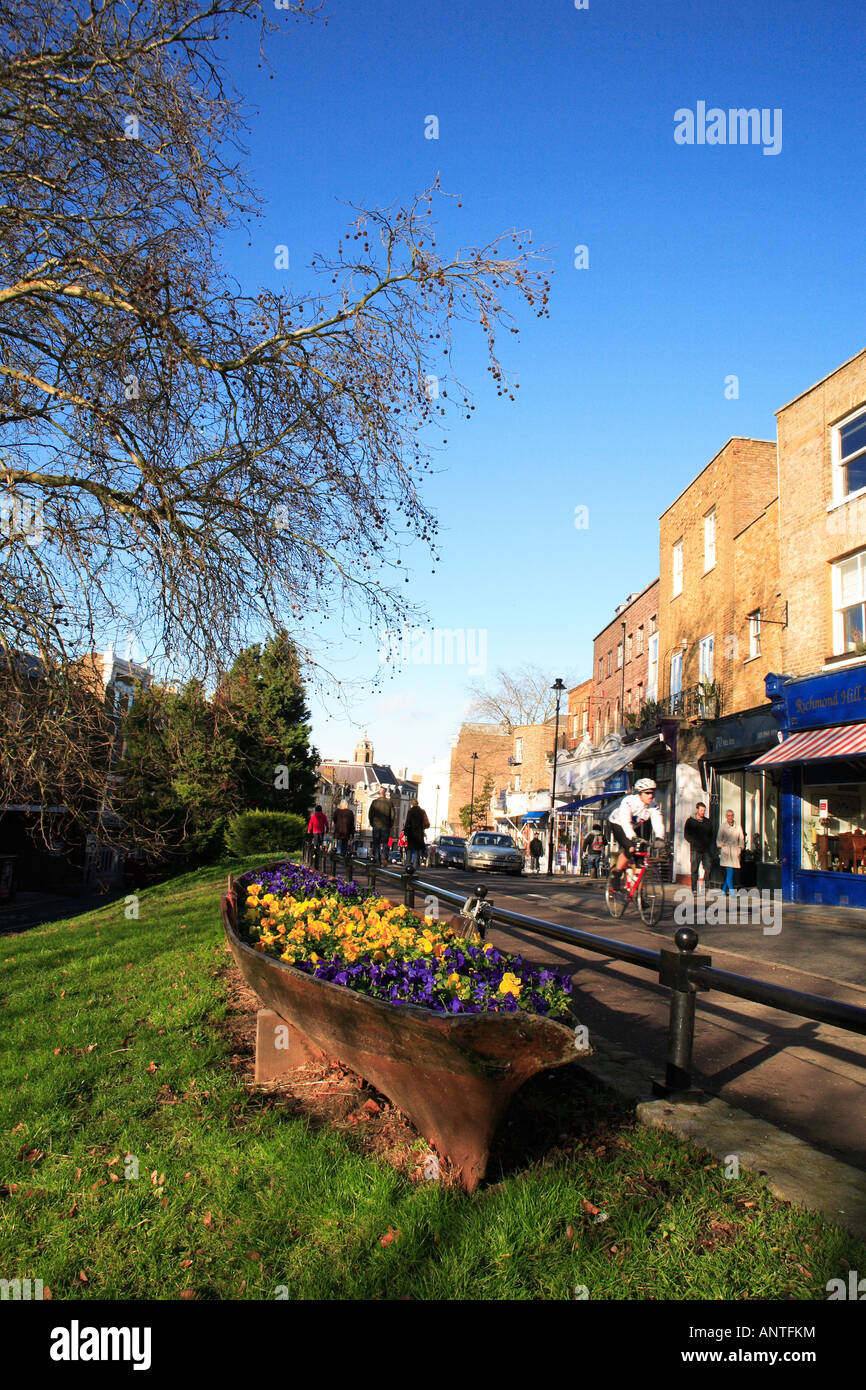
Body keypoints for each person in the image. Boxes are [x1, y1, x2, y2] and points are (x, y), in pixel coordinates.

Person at [607, 779, 666, 888]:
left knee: (641, 859)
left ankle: (637, 892)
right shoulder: (629, 801)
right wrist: (633, 837)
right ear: (640, 793)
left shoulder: (653, 805)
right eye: (647, 793)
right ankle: (617, 873)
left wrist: (659, 838)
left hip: (635, 826)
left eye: (652, 792)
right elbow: (625, 821)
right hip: (618, 824)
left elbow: (657, 820)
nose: (650, 796)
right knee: (630, 848)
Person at [684, 801, 714, 893]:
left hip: (706, 850)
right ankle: (694, 889)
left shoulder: (707, 822)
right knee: (694, 870)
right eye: (701, 810)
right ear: (697, 810)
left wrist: (708, 843)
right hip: (695, 849)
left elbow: (712, 834)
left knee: (708, 868)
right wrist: (693, 842)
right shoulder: (690, 821)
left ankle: (705, 886)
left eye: (704, 810)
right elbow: (686, 835)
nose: (702, 812)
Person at [717, 809, 744, 896]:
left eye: (732, 815)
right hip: (726, 851)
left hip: (735, 851)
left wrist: (740, 848)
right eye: (728, 815)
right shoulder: (722, 826)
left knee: (731, 871)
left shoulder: (738, 826)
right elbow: (719, 838)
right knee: (730, 871)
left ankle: (724, 890)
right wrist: (721, 845)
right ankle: (732, 892)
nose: (730, 817)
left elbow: (741, 838)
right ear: (726, 817)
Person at [368, 791, 395, 865]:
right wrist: (390, 824)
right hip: (385, 826)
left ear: (379, 794)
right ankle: (384, 855)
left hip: (376, 825)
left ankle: (377, 860)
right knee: (385, 843)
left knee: (376, 843)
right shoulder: (389, 803)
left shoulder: (375, 802)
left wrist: (372, 823)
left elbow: (370, 814)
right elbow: (392, 815)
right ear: (385, 794)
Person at [403, 801, 430, 869]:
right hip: (419, 833)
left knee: (409, 849)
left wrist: (405, 832)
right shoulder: (422, 812)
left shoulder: (410, 811)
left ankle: (408, 865)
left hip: (411, 833)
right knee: (417, 850)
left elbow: (407, 822)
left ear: (412, 804)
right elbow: (427, 823)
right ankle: (415, 865)